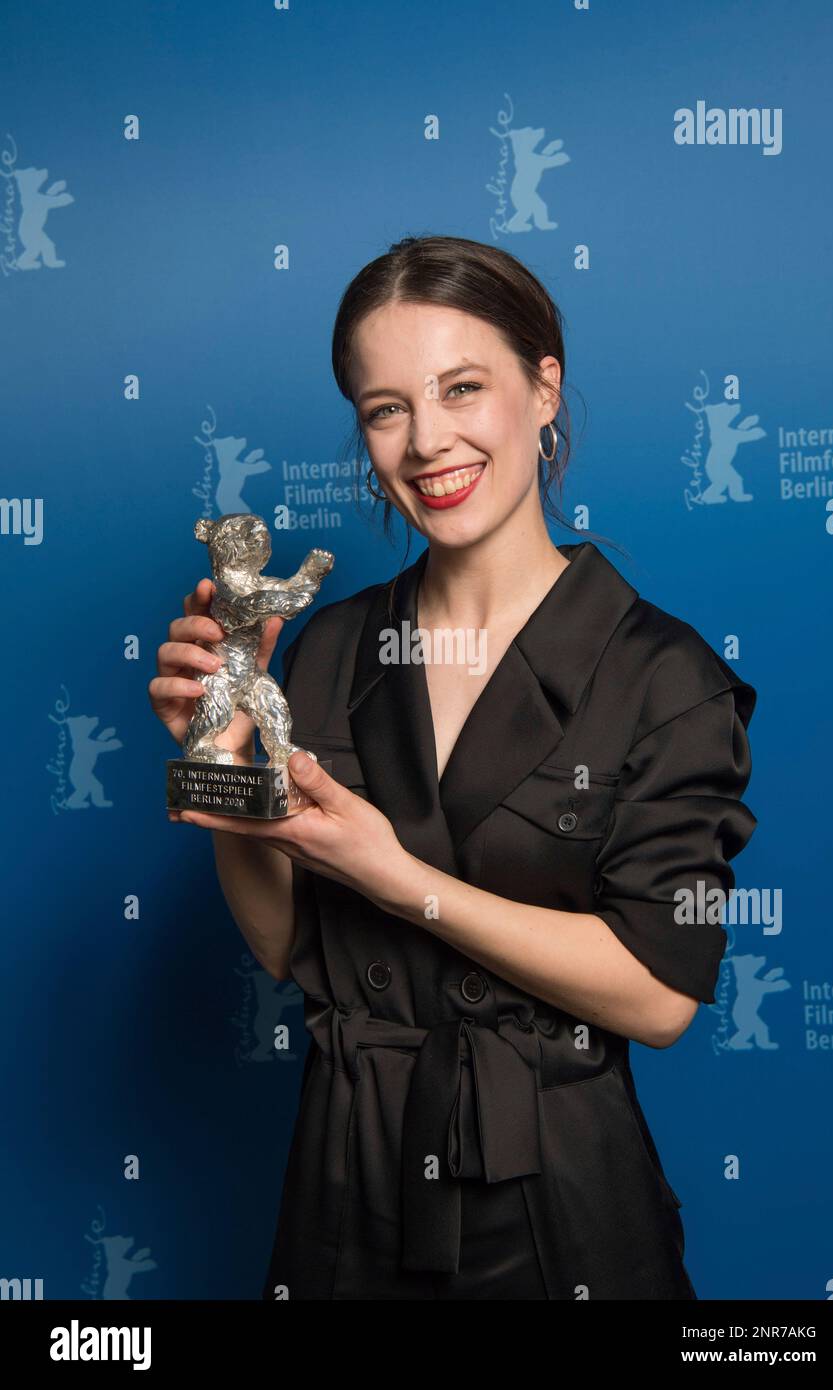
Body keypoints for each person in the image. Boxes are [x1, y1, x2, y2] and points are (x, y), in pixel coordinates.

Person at [149, 235, 757, 1300]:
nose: (426, 441)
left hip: (557, 1205)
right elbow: (290, 946)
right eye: (385, 408)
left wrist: (402, 880)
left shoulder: (662, 674)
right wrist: (229, 769)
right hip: (342, 1187)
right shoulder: (331, 646)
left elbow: (661, 996)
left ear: (542, 387)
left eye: (461, 387)